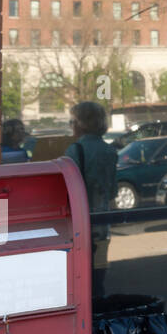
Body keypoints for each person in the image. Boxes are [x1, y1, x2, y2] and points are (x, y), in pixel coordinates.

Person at [65, 101, 118, 296]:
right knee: (98, 275)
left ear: (81, 123)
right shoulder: (109, 151)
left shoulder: (75, 151)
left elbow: (68, 190)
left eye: (73, 121)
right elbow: (112, 192)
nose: (72, 126)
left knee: (80, 278)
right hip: (102, 224)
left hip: (80, 223)